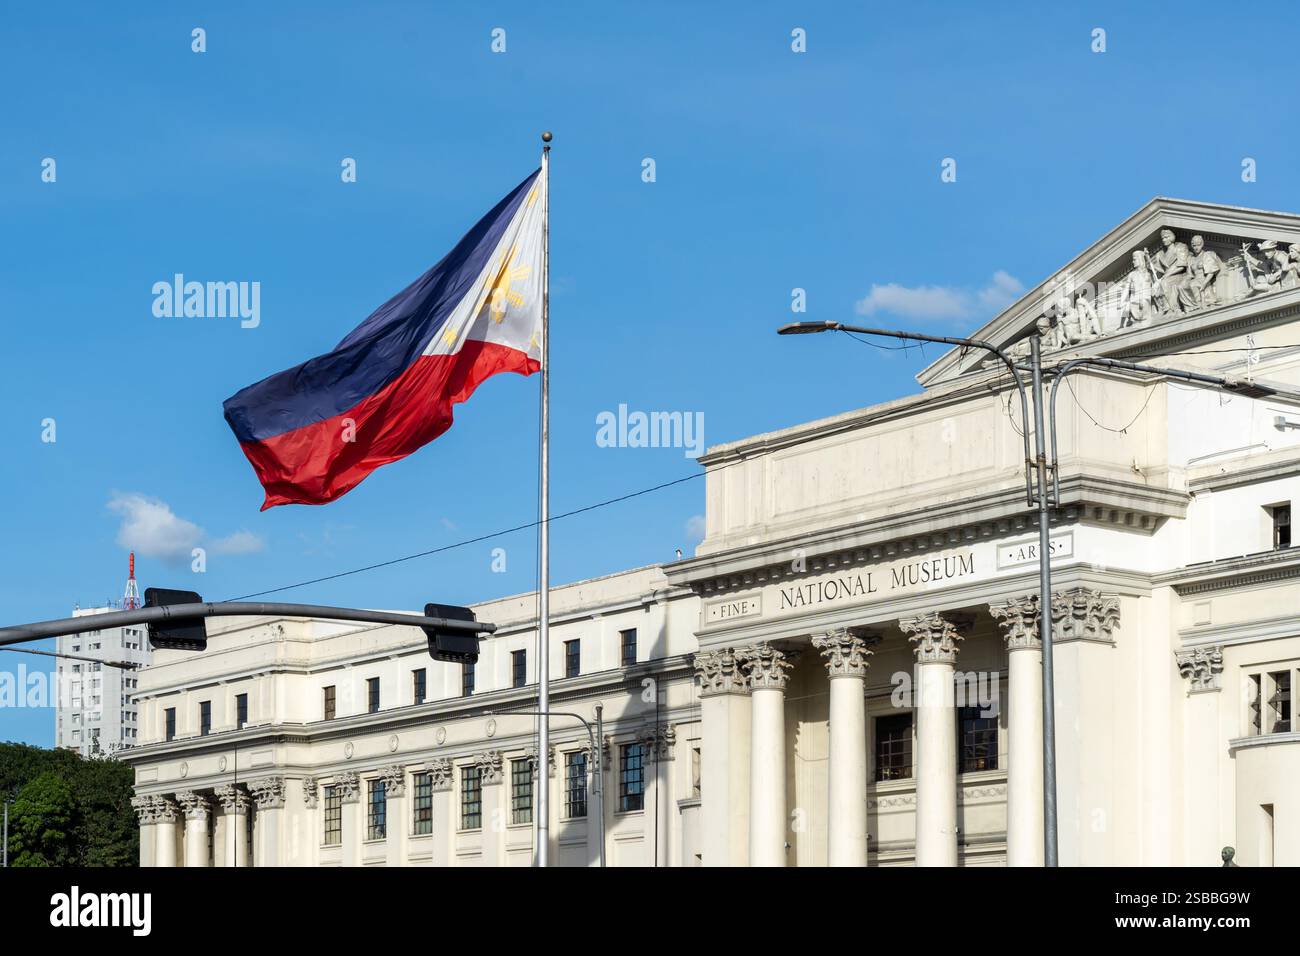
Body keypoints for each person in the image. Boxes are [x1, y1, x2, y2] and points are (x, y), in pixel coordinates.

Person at [1178, 235, 1223, 311]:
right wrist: (1184, 281)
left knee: (1193, 284)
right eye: (1194, 245)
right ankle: (1191, 306)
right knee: (1181, 286)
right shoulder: (1191, 259)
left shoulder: (1207, 255)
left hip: (1204, 279)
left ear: (1202, 244)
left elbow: (1211, 271)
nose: (1196, 247)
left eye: (1198, 245)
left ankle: (1198, 304)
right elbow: (1189, 275)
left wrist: (1204, 283)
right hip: (1195, 279)